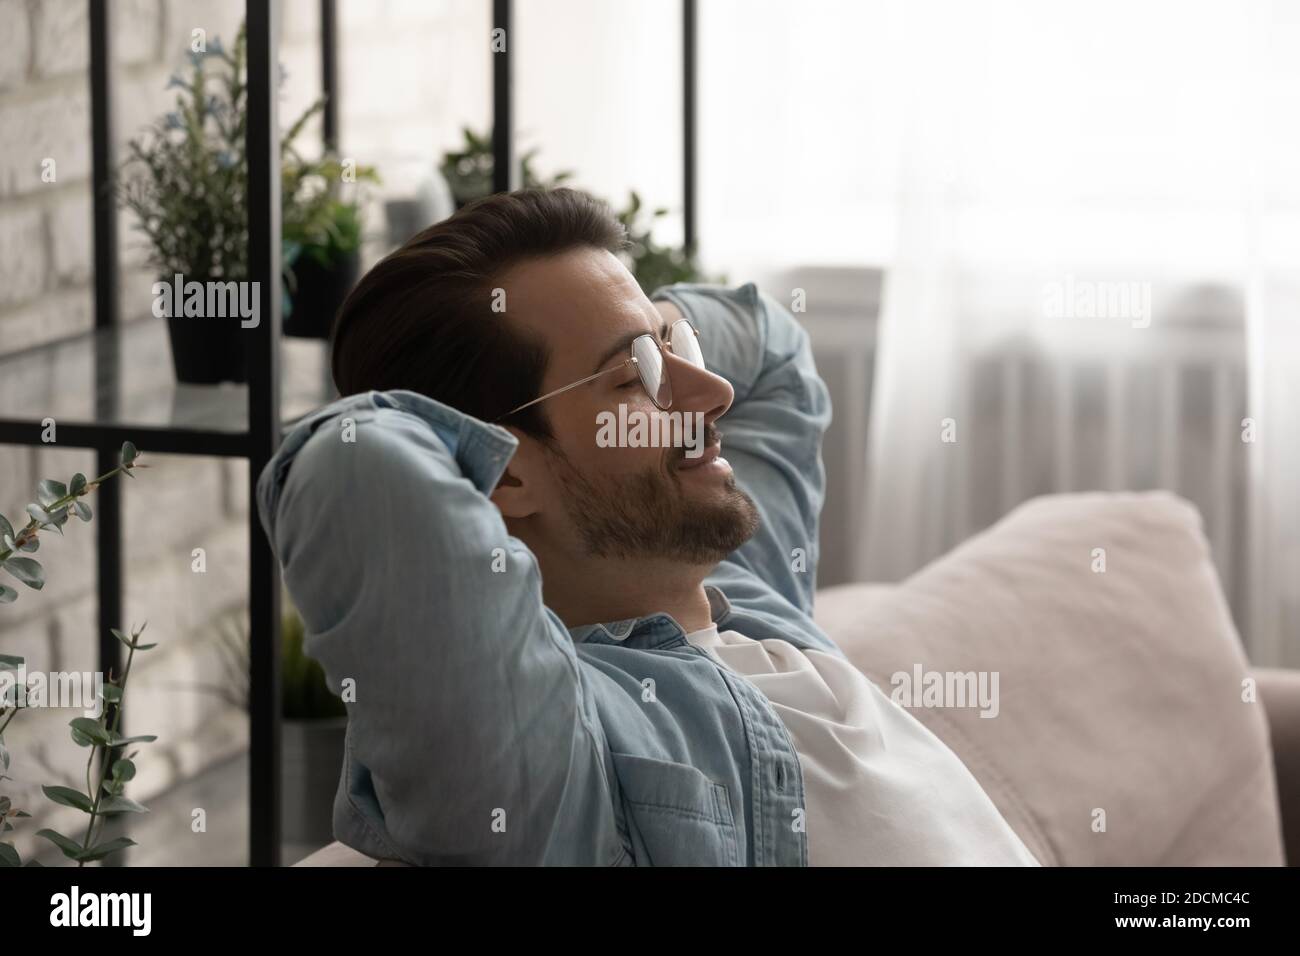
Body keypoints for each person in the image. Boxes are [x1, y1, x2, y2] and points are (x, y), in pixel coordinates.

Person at [256, 187, 1040, 866]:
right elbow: (356, 469)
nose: (713, 393)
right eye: (636, 381)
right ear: (510, 473)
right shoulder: (569, 761)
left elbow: (772, 348)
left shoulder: (745, 591)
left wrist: (646, 337)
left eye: (677, 351)